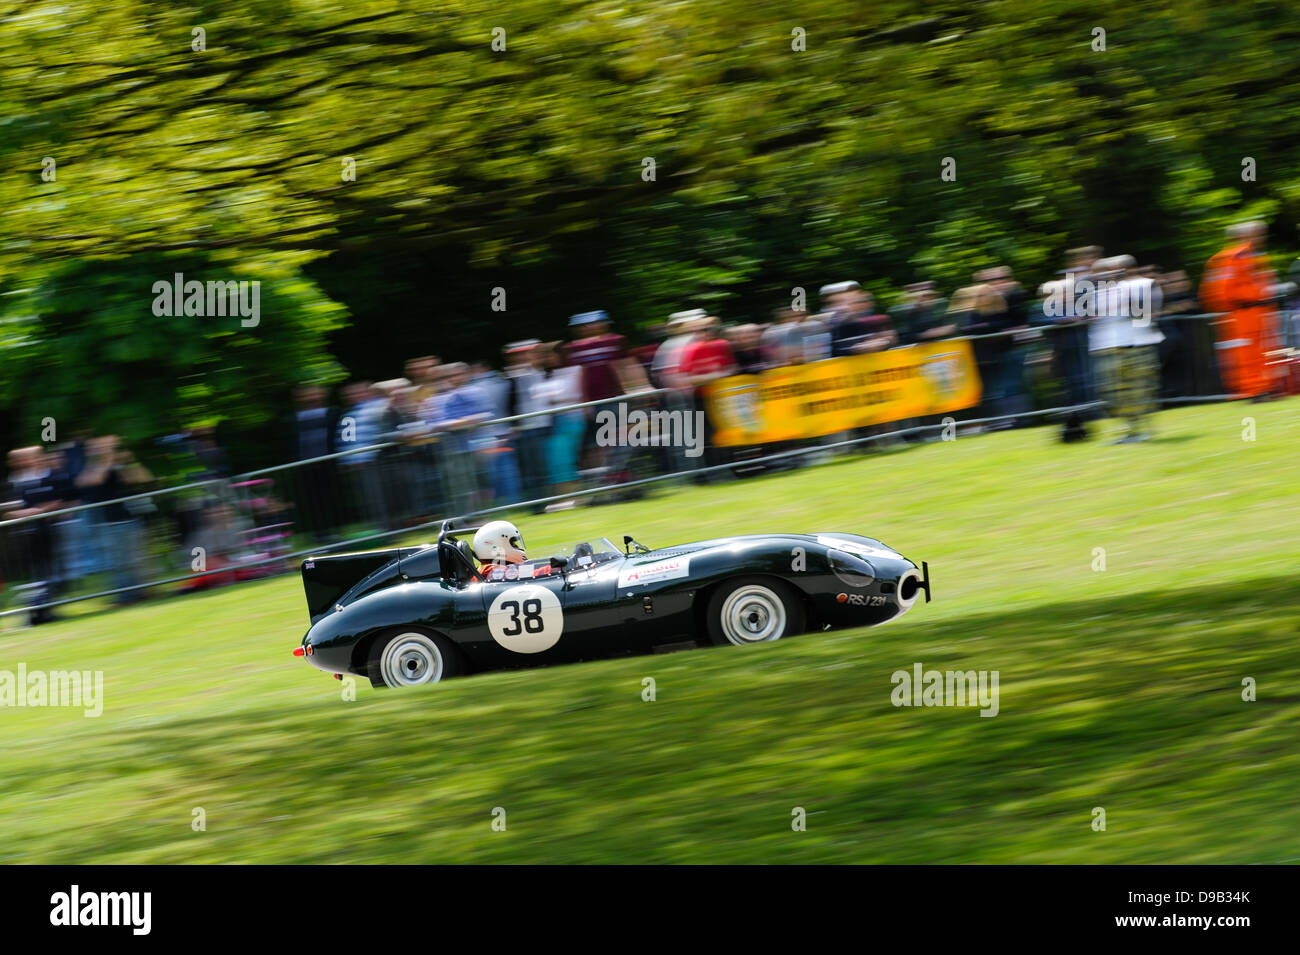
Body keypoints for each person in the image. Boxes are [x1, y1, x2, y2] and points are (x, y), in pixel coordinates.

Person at [1201, 221, 1282, 400]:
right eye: (1258, 233)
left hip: (1260, 310)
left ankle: (1267, 386)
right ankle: (1254, 390)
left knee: (1264, 351)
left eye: (1262, 233)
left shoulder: (1256, 256)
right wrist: (1223, 312)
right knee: (1246, 353)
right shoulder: (1231, 257)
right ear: (1245, 236)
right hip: (1241, 312)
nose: (1262, 237)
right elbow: (1220, 288)